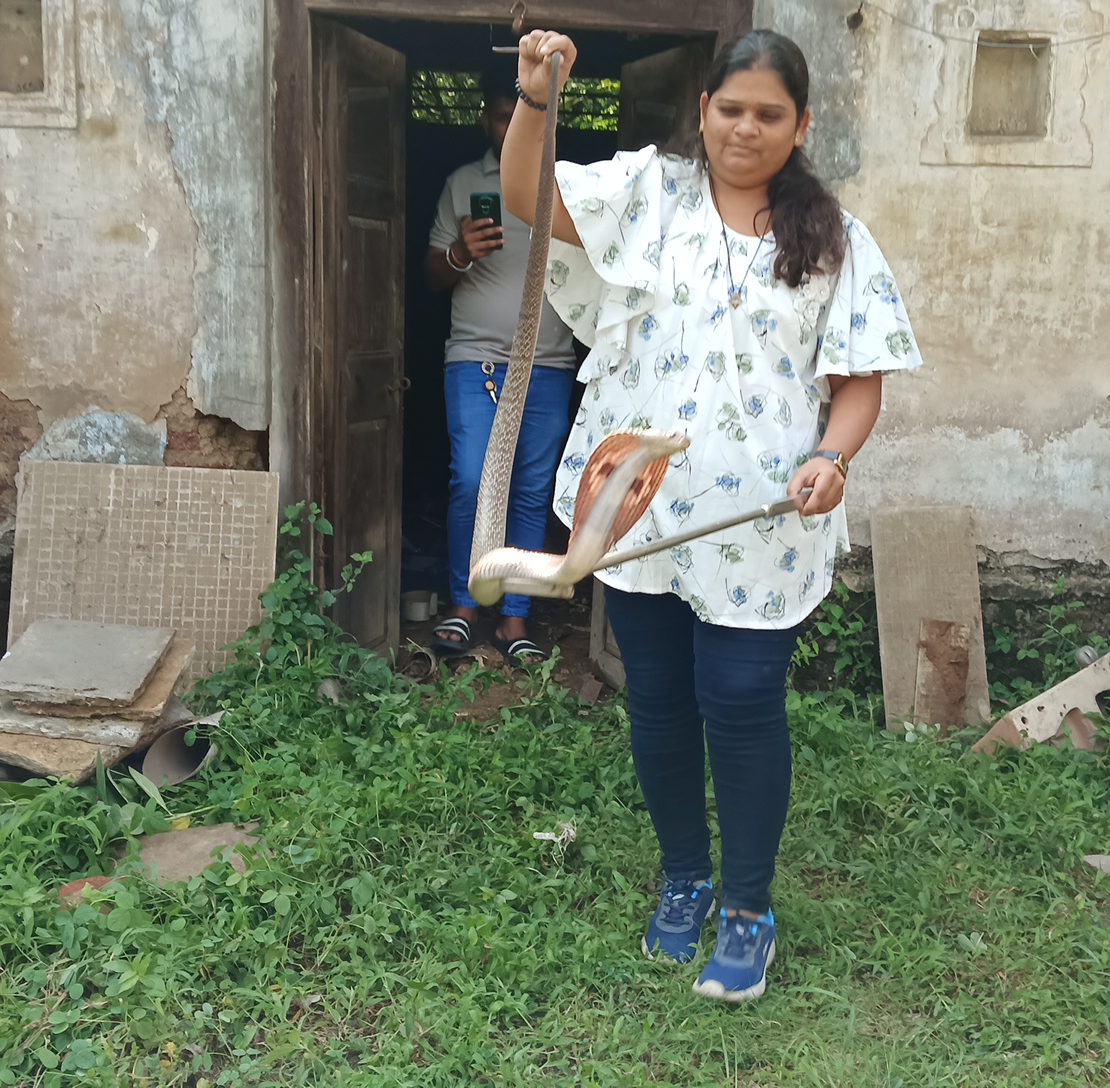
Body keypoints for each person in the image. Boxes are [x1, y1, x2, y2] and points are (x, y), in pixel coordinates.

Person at [502, 29, 921, 1002]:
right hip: (637, 509)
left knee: (738, 700)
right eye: (731, 108)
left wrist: (831, 453)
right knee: (656, 697)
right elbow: (532, 200)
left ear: (801, 124)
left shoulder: (832, 239)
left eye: (769, 113)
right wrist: (534, 101)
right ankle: (684, 876)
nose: (746, 128)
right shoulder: (648, 196)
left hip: (761, 525)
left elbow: (860, 381)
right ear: (703, 110)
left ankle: (748, 905)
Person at [423, 78, 580, 666]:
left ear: (548, 123)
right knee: (470, 479)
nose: (510, 127)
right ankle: (465, 606)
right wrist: (460, 252)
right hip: (474, 357)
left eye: (523, 117)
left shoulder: (572, 188)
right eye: (498, 116)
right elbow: (432, 276)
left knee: (531, 488)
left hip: (548, 362)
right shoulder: (463, 184)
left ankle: (515, 618)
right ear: (484, 122)